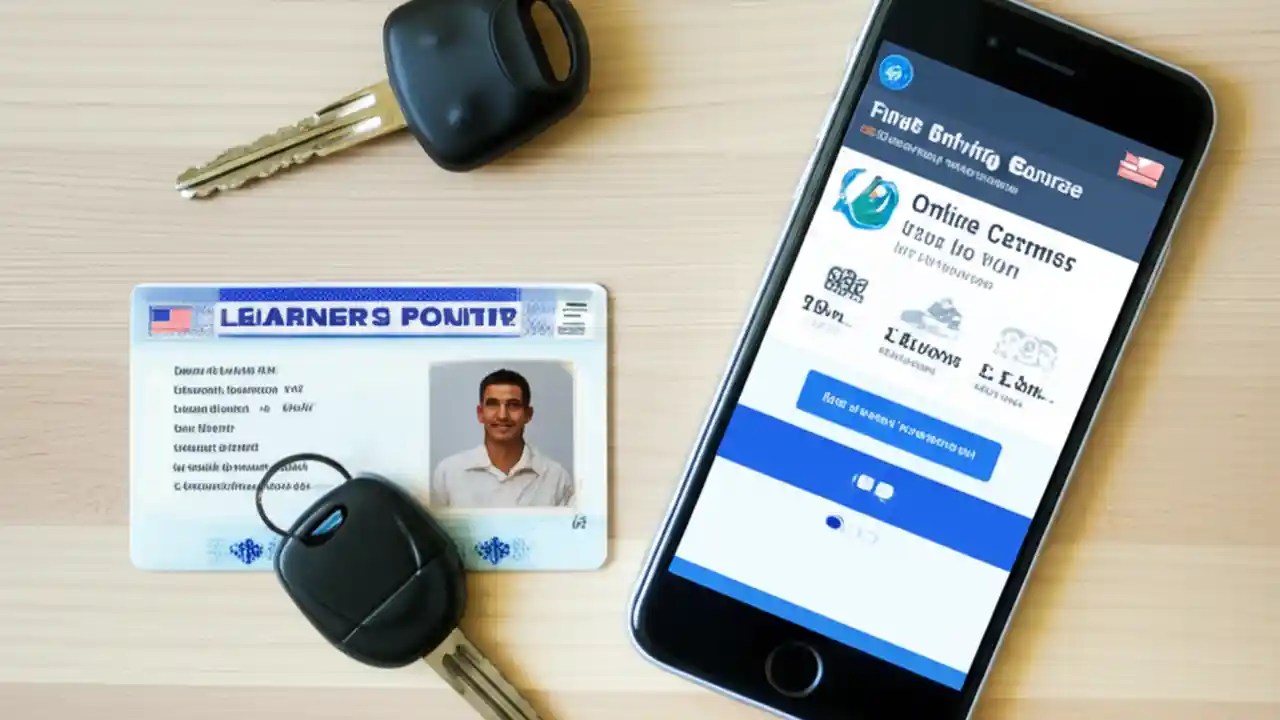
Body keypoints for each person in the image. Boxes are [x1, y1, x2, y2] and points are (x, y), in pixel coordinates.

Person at [430, 368, 574, 508]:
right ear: (480, 413)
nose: (502, 415)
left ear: (528, 414)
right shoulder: (448, 473)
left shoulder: (556, 478)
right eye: (493, 404)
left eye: (513, 405)